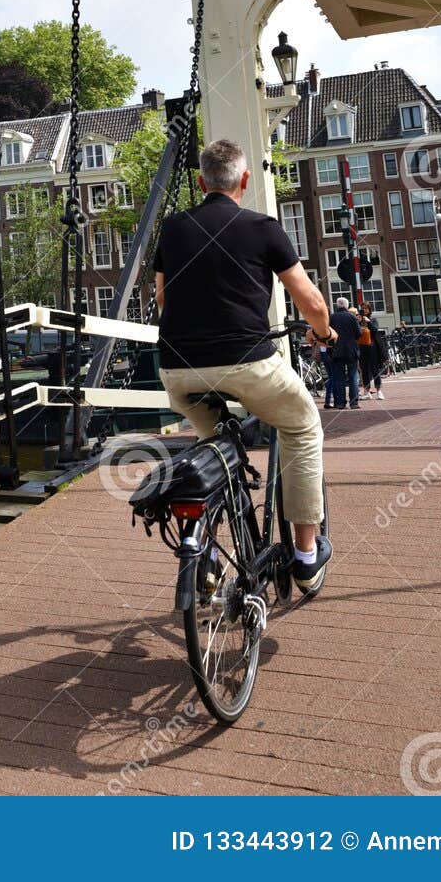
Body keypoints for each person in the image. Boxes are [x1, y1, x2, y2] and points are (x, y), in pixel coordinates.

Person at [154, 137, 335, 592]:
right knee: (302, 427)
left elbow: (161, 299)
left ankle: (209, 554)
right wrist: (324, 332)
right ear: (246, 180)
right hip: (247, 363)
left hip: (178, 368)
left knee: (212, 446)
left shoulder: (173, 229)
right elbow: (310, 300)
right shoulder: (263, 227)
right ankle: (307, 555)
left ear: (201, 183)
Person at [328, 297, 363, 410]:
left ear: (337, 305)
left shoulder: (331, 318)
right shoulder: (352, 317)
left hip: (337, 351)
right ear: (347, 306)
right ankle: (354, 403)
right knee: (353, 376)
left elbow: (328, 333)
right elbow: (358, 333)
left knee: (339, 378)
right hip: (351, 350)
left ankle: (340, 403)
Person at [358, 301, 385, 401]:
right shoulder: (358, 320)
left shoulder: (373, 320)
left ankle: (379, 391)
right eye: (362, 308)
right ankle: (367, 391)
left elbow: (375, 331)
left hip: (372, 347)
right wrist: (358, 322)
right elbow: (356, 332)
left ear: (369, 310)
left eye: (366, 308)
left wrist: (368, 321)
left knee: (375, 369)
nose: (364, 310)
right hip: (362, 347)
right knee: (364, 370)